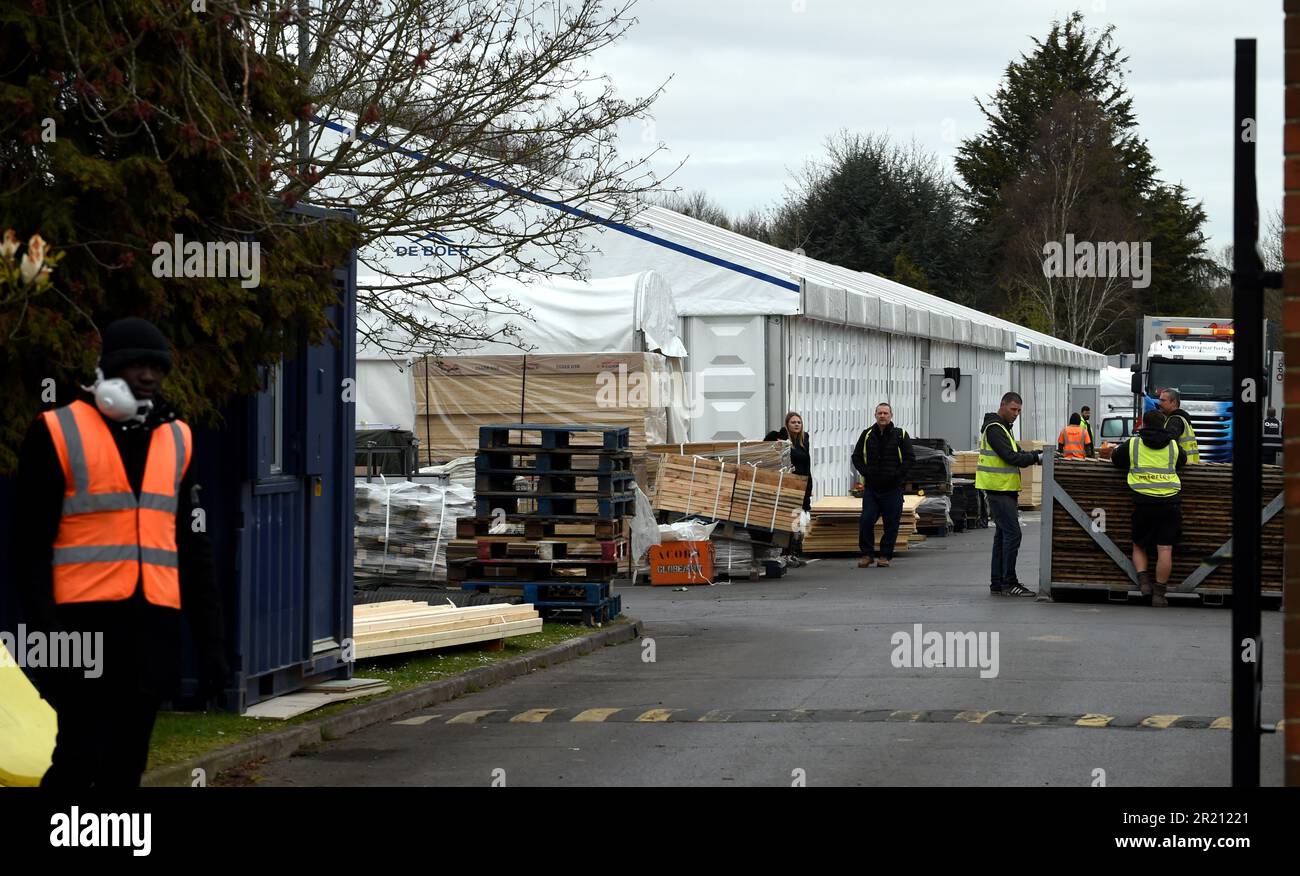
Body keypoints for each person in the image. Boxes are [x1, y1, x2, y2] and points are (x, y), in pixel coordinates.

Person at [11, 317, 227, 788]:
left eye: (157, 367)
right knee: (79, 754)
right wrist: (49, 637)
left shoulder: (177, 438)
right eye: (136, 366)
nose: (148, 376)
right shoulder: (57, 430)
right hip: (82, 628)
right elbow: (28, 549)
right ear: (106, 371)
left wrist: (212, 646)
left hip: (152, 629)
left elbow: (194, 550)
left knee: (128, 762)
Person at [1111, 409, 1187, 607]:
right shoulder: (1172, 445)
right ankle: (1159, 594)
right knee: (1165, 549)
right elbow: (1183, 462)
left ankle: (1144, 582)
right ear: (1163, 425)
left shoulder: (1134, 443)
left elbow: (1116, 460)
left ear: (1143, 424)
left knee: (1139, 544)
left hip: (1143, 503)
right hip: (1169, 503)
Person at [976, 392, 1042, 597]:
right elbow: (1011, 457)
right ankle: (1008, 582)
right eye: (1013, 409)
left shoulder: (1003, 429)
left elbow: (1018, 452)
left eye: (1019, 411)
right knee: (1013, 534)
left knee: (1002, 535)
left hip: (1004, 489)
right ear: (1002, 405)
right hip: (999, 489)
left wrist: (1036, 455)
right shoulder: (995, 429)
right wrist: (1036, 458)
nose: (1016, 414)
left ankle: (998, 583)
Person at [851, 402, 915, 569]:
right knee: (866, 520)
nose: (882, 416)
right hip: (872, 488)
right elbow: (856, 456)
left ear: (891, 415)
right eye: (880, 413)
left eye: (885, 413)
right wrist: (866, 472)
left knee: (891, 524)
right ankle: (867, 555)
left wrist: (897, 475)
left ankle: (885, 556)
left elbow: (909, 458)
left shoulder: (900, 435)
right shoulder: (867, 435)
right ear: (875, 415)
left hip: (892, 489)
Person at [764, 411, 812, 512]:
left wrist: (809, 488)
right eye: (793, 422)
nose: (797, 424)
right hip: (787, 483)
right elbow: (765, 446)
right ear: (787, 424)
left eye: (799, 422)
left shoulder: (804, 440)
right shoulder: (779, 437)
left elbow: (807, 464)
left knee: (803, 515)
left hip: (801, 482)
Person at [1156, 388, 1199, 464]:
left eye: (1163, 400)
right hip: (1189, 466)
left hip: (1182, 469)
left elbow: (1169, 445)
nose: (1159, 403)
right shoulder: (1182, 418)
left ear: (1174, 402)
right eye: (1160, 400)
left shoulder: (1175, 421)